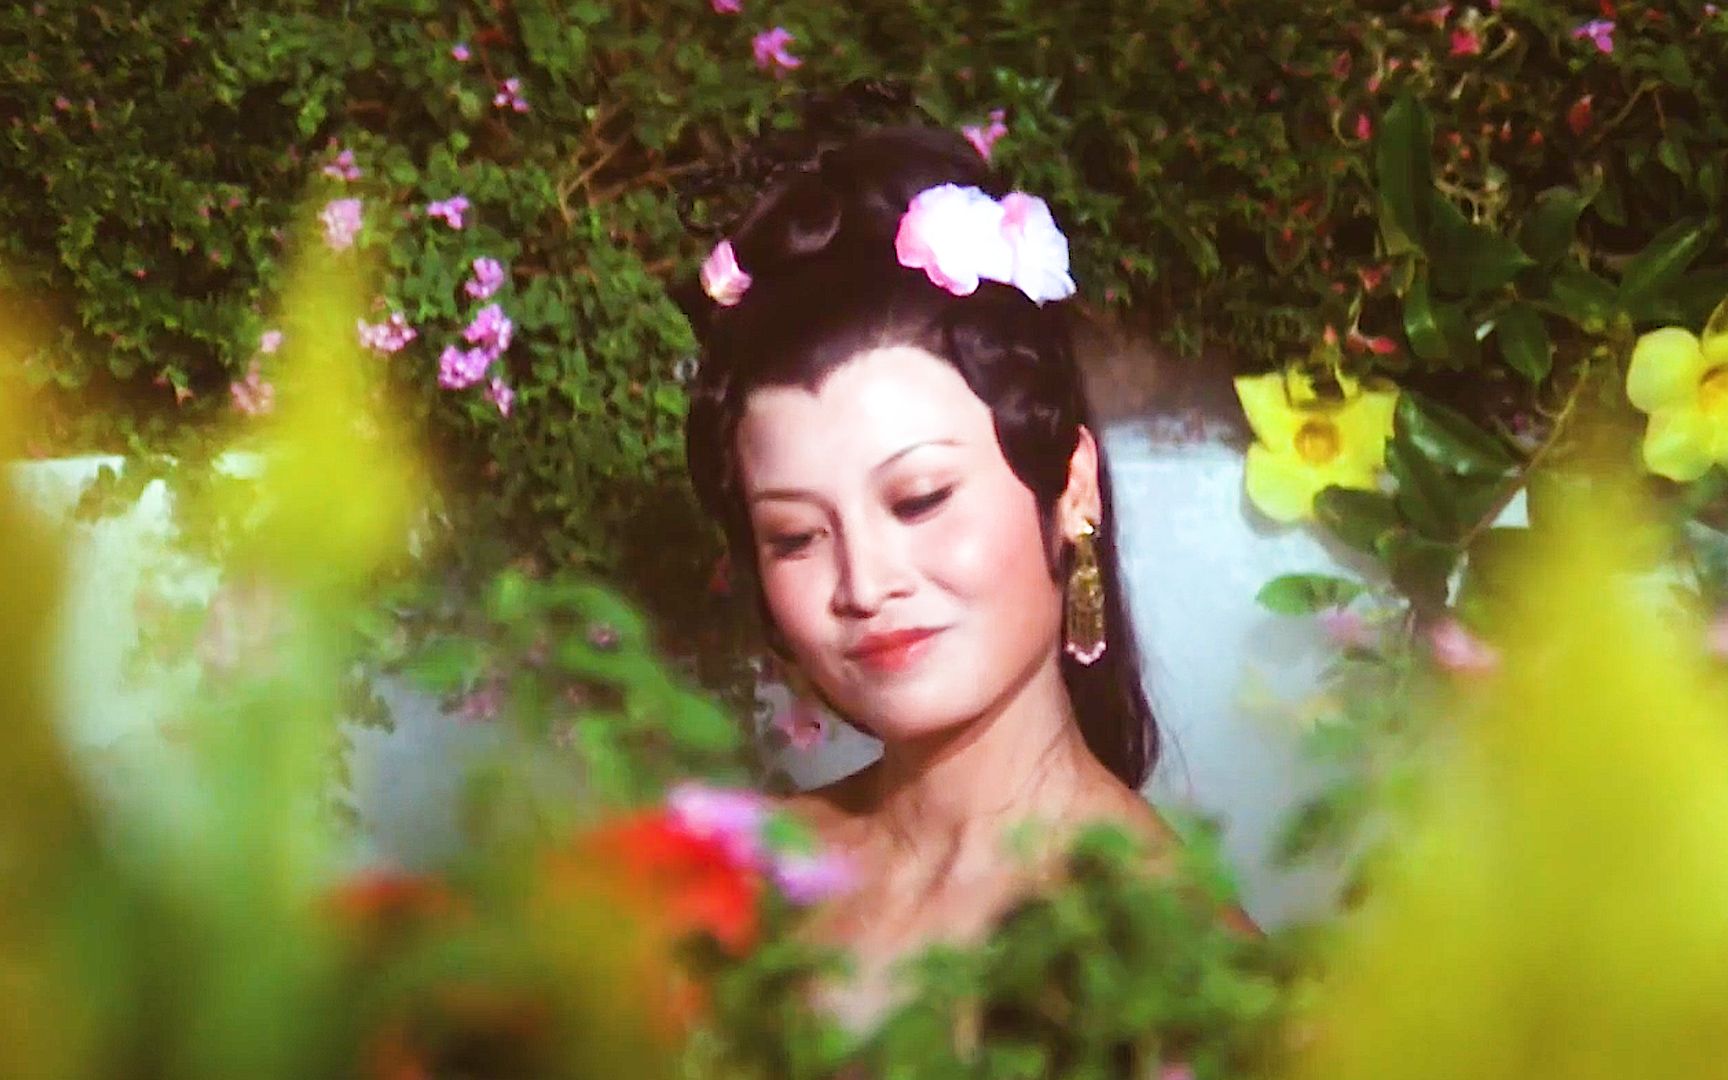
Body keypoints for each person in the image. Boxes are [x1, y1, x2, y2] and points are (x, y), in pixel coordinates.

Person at [679, 126, 1241, 1031]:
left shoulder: (1175, 972)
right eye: (795, 536)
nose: (865, 584)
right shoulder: (736, 880)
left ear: (1072, 486)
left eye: (920, 499)